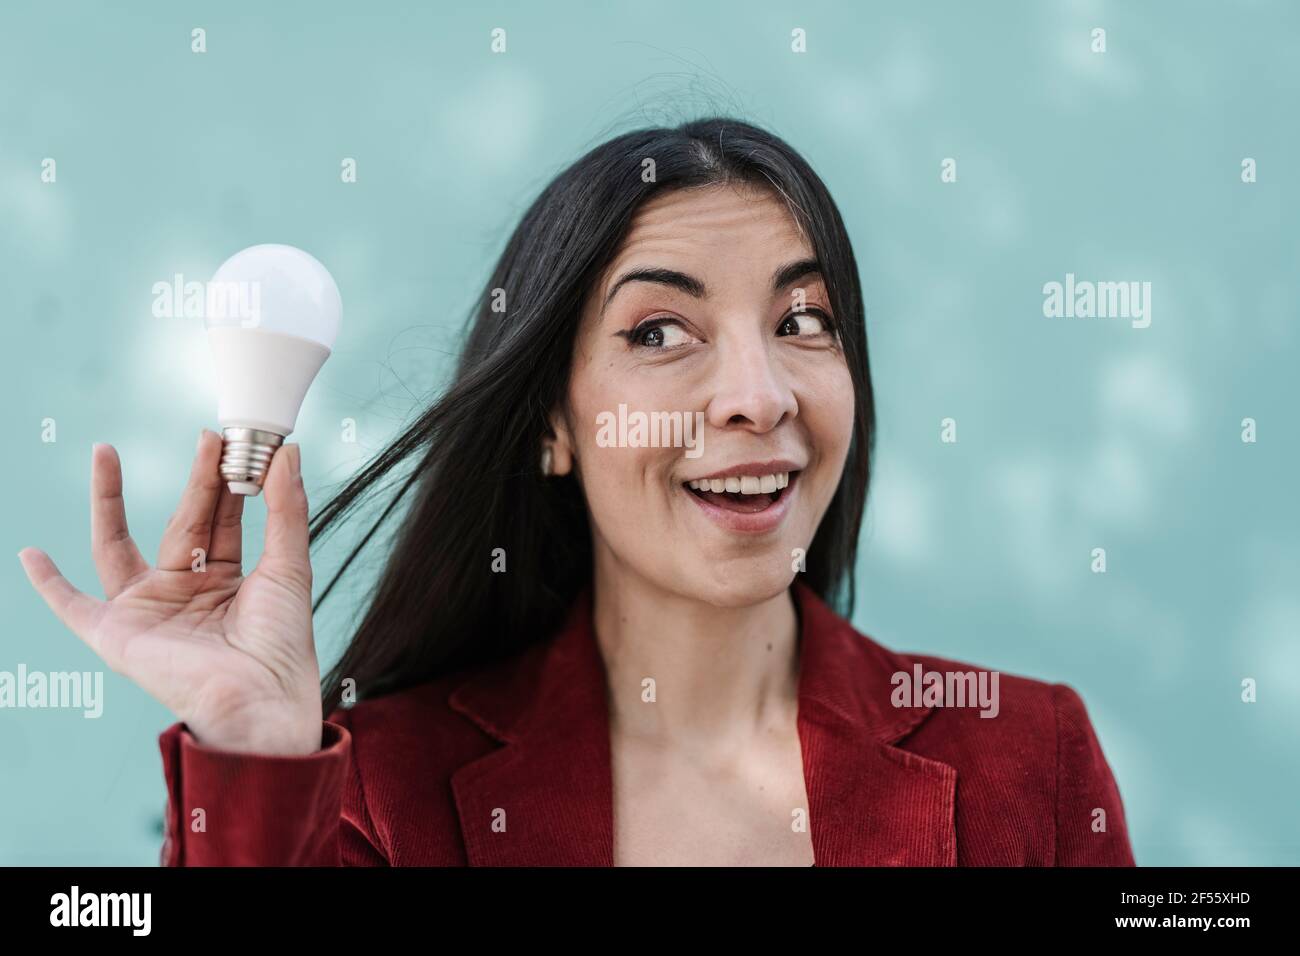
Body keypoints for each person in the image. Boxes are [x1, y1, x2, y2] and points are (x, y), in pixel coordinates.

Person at [18, 117, 1136, 866]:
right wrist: (257, 759)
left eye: (803, 321)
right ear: (550, 421)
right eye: (661, 330)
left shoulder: (1027, 756)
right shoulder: (386, 792)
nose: (758, 394)